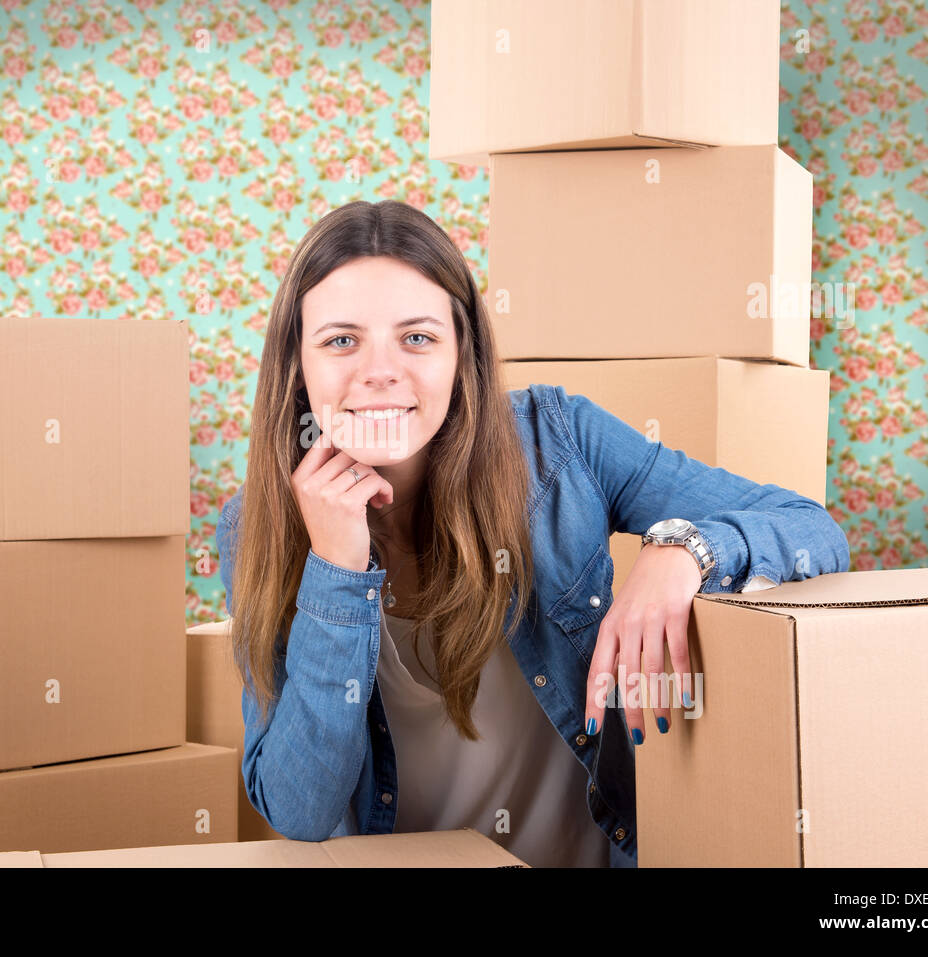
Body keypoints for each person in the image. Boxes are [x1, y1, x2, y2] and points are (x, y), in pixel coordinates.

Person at [214, 199, 850, 867]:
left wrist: (683, 551)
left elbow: (811, 528)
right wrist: (336, 570)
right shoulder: (255, 525)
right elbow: (299, 809)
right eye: (341, 340)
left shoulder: (559, 441)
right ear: (298, 363)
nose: (380, 371)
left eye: (418, 337)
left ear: (464, 353)